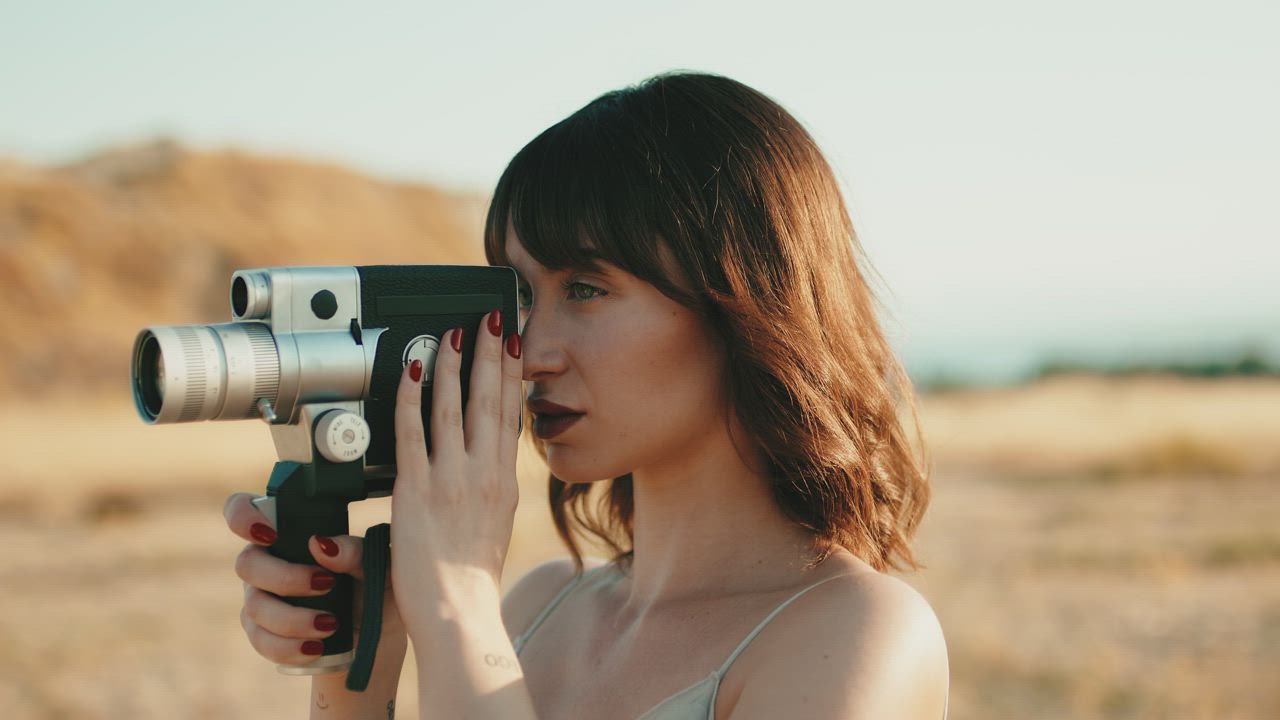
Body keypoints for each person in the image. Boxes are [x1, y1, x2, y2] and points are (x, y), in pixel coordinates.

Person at [223, 71, 949, 719]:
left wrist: (455, 608)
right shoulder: (540, 607)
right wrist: (359, 668)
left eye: (587, 289)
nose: (531, 353)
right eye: (519, 295)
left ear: (748, 303)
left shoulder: (858, 634)